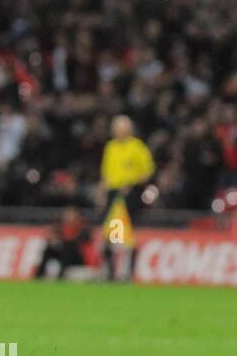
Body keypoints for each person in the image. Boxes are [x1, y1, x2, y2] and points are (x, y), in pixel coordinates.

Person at [98, 114, 155, 282]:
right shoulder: (110, 147)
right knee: (111, 233)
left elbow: (148, 171)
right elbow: (105, 173)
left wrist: (132, 183)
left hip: (130, 193)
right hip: (113, 194)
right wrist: (102, 192)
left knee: (128, 233)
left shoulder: (137, 147)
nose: (118, 132)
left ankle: (127, 272)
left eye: (121, 129)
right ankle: (110, 271)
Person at [34, 206, 91, 279]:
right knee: (49, 249)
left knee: (68, 248)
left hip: (79, 257)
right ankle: (39, 276)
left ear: (77, 216)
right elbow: (54, 236)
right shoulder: (61, 226)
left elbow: (77, 243)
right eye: (67, 214)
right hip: (64, 254)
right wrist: (54, 241)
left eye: (71, 214)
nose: (68, 216)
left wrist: (62, 243)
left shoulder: (82, 228)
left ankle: (60, 276)